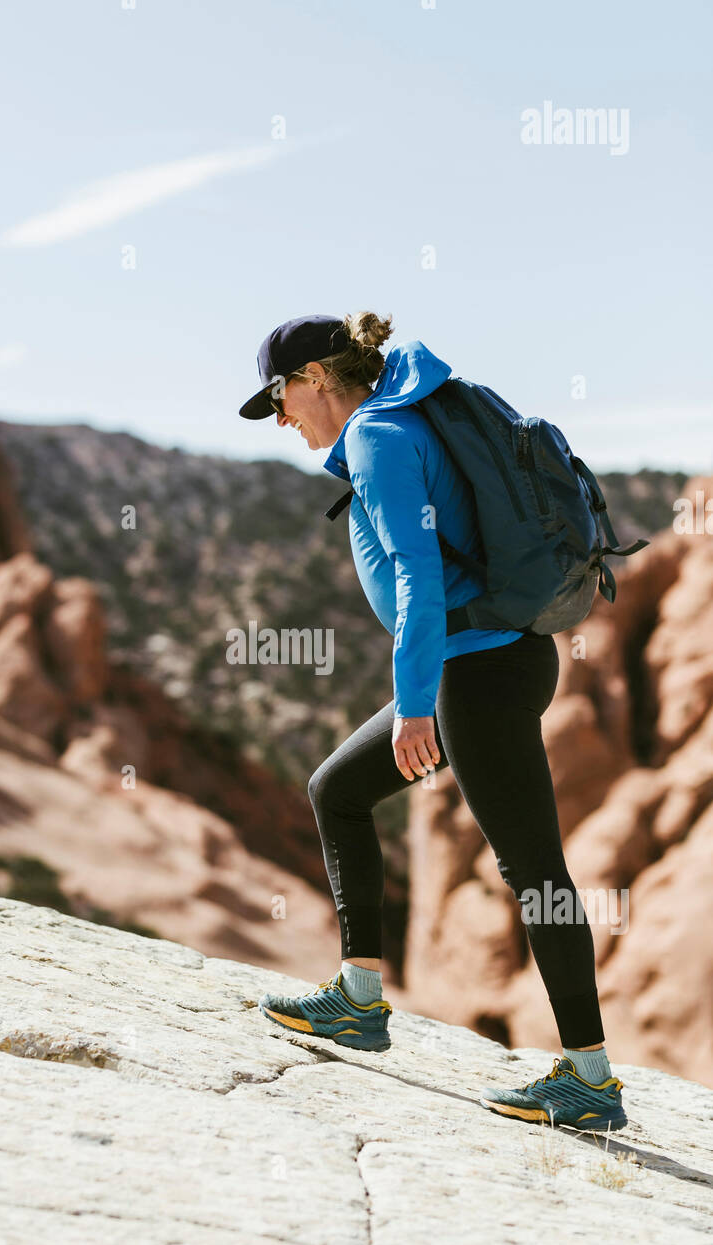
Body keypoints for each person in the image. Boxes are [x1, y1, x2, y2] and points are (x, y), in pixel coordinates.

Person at [237, 311, 627, 1133]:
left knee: (534, 872)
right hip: (488, 662)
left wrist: (415, 706)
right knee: (337, 790)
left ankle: (590, 1078)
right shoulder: (401, 422)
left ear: (316, 378)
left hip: (476, 674)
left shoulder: (378, 436)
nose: (280, 420)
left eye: (279, 398)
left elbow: (417, 578)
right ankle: (359, 998)